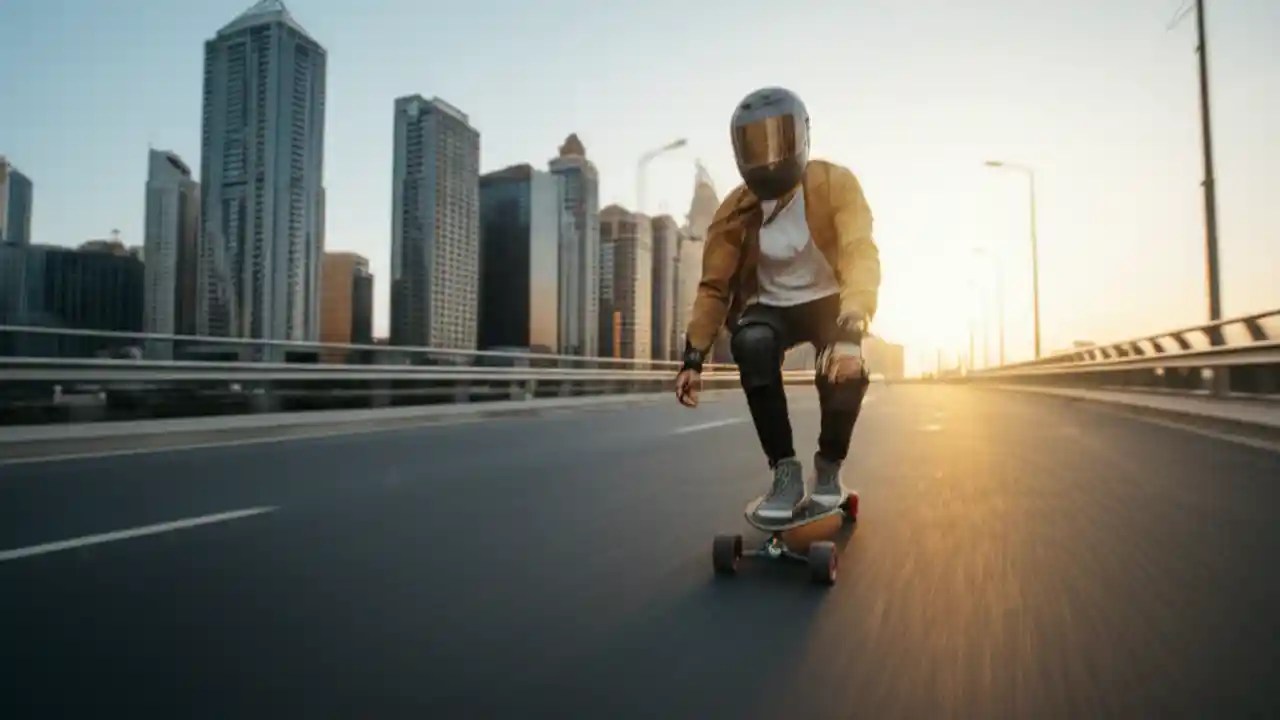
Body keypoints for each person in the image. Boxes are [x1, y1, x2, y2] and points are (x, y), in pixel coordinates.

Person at [675, 86, 881, 521]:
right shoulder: (733, 212)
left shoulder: (835, 183)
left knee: (848, 369)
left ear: (802, 137)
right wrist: (693, 358)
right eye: (755, 144)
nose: (768, 156)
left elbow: (860, 249)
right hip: (770, 307)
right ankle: (784, 472)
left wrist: (852, 327)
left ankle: (828, 469)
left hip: (830, 301)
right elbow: (715, 287)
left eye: (777, 140)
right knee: (750, 344)